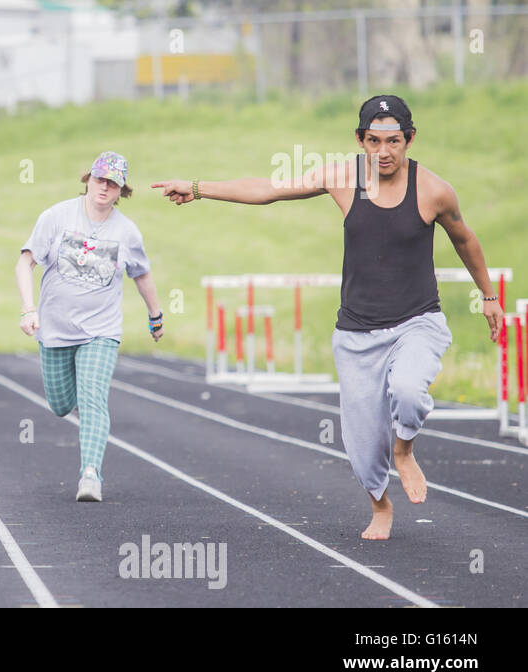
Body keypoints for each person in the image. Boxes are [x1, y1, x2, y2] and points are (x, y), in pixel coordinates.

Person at [152, 94, 503, 540]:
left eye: (393, 141)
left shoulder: (433, 190)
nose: (384, 152)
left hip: (417, 322)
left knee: (409, 392)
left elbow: (465, 239)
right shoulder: (342, 178)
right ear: (360, 141)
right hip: (356, 332)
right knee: (359, 449)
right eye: (373, 141)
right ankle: (380, 504)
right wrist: (200, 188)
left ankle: (404, 448)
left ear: (410, 140)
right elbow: (269, 190)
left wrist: (488, 296)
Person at [16, 152, 164, 502]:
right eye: (100, 179)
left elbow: (141, 273)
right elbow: (25, 263)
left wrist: (155, 315)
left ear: (121, 190)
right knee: (60, 403)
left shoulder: (127, 232)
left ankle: (91, 475)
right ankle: (82, 427)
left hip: (101, 330)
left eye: (113, 183)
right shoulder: (56, 217)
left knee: (93, 399)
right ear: (89, 179)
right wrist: (27, 309)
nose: (105, 187)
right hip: (54, 329)